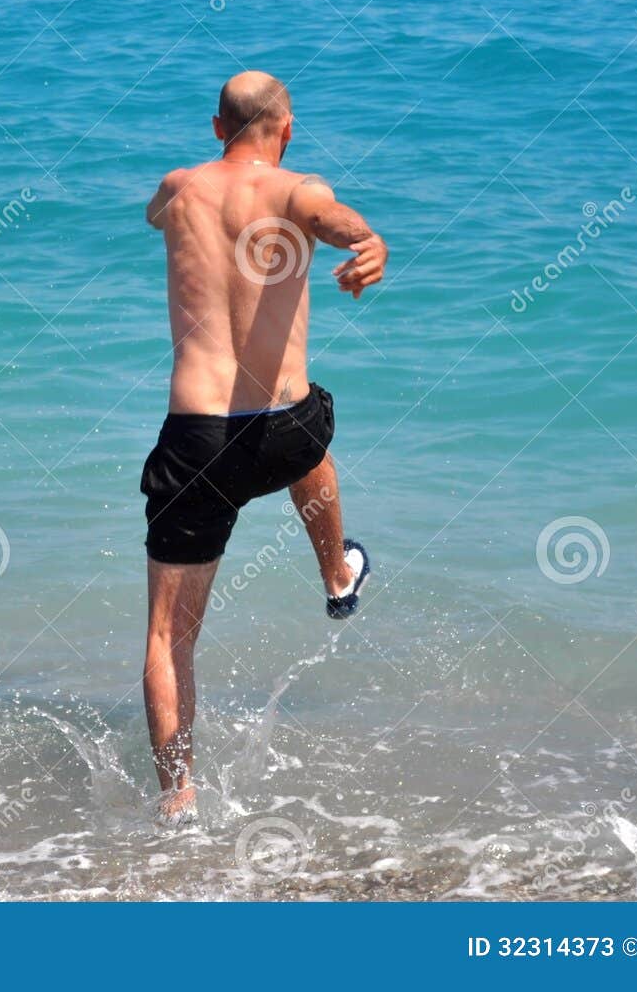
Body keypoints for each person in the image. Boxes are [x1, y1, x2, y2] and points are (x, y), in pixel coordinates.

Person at [140, 70, 389, 824]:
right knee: (311, 432)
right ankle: (337, 575)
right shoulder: (294, 189)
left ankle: (178, 804)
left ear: (217, 127)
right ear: (287, 131)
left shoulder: (180, 188)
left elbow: (157, 214)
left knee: (166, 637)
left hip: (197, 442)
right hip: (281, 430)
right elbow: (332, 214)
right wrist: (368, 241)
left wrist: (188, 189)